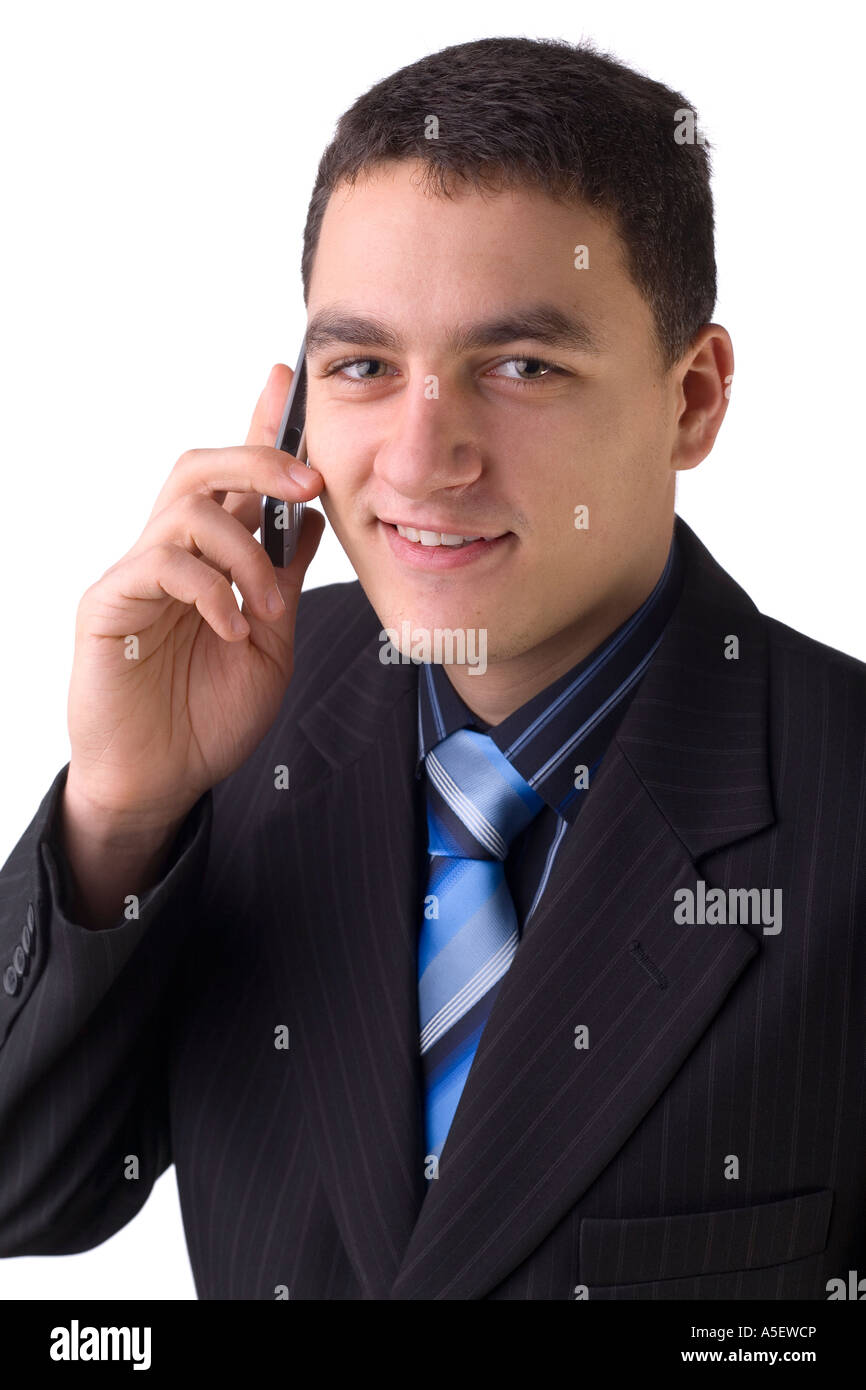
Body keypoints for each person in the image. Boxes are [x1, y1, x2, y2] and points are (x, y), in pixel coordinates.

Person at [1, 34, 864, 1302]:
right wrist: (121, 815)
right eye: (361, 367)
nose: (417, 459)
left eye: (519, 367)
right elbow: (30, 1194)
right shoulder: (231, 715)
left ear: (691, 399)